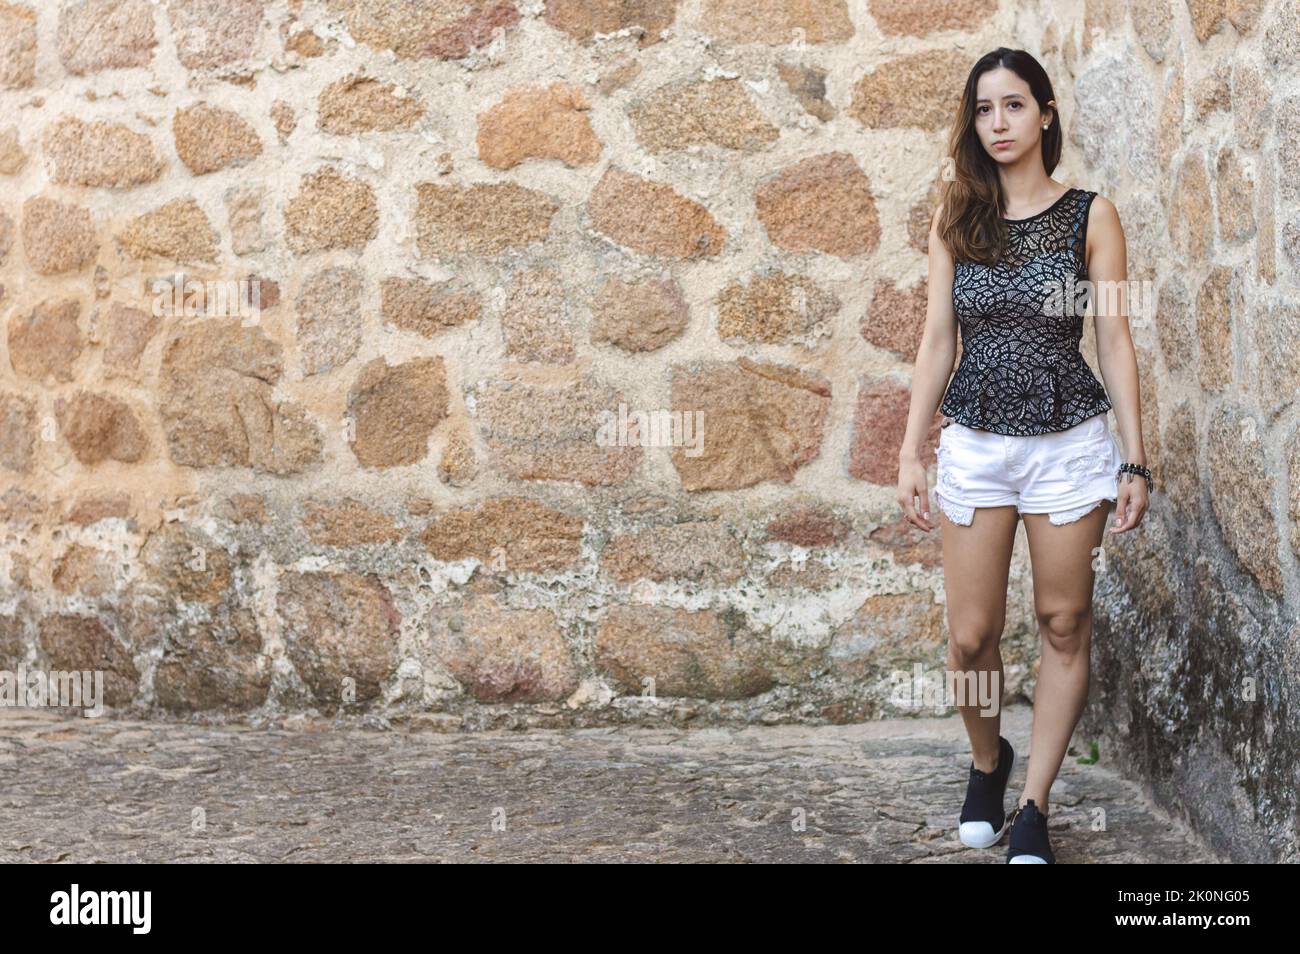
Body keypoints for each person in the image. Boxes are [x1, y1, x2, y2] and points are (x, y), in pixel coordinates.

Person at [894, 47, 1152, 863]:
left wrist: (1134, 460)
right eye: (982, 109)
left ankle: (1034, 805)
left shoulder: (1090, 215)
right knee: (971, 636)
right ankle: (987, 760)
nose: (996, 123)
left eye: (1012, 105)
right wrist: (912, 450)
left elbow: (1113, 336)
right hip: (975, 440)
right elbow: (938, 339)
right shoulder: (957, 216)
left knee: (1063, 621)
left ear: (1045, 113)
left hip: (1070, 441)